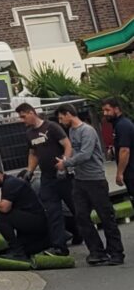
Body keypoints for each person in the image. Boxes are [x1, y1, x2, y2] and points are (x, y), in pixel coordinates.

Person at [53, 103, 124, 266]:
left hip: (95, 179)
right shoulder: (72, 131)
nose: (61, 121)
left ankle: (116, 252)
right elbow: (76, 151)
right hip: (80, 180)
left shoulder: (87, 131)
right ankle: (97, 251)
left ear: (68, 114)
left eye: (61, 118)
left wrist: (66, 163)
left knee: (106, 216)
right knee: (81, 216)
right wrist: (66, 160)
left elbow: (85, 154)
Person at [15, 103, 71, 255]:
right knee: (52, 211)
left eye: (23, 116)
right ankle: (59, 246)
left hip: (63, 176)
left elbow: (67, 145)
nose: (22, 120)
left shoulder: (51, 127)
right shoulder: (29, 134)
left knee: (76, 208)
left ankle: (89, 239)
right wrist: (30, 171)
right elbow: (33, 153)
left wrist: (64, 163)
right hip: (47, 177)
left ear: (31, 112)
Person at [0, 167, 49, 263]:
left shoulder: (10, 183)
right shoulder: (8, 183)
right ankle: (23, 250)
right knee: (26, 249)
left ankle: (18, 253)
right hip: (34, 221)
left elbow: (4, 208)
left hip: (36, 221)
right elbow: (3, 207)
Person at [103, 97, 134, 200]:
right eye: (103, 110)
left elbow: (125, 150)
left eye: (107, 110)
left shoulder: (122, 125)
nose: (105, 113)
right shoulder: (118, 125)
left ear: (116, 109)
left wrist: (119, 173)